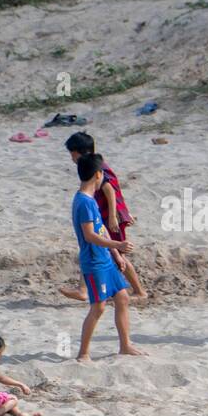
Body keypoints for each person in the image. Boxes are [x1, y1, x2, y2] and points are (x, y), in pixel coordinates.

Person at [73, 153, 145, 362]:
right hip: (93, 262)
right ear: (97, 175)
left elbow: (101, 227)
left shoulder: (91, 199)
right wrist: (118, 245)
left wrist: (115, 254)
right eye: (103, 174)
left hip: (105, 258)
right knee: (99, 307)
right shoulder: (83, 202)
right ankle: (83, 353)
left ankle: (125, 345)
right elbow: (89, 235)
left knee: (122, 298)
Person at [58, 132, 147, 301]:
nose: (71, 158)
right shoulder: (92, 167)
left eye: (72, 154)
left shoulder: (96, 168)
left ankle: (139, 291)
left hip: (108, 218)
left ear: (81, 152)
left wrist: (114, 216)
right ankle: (83, 290)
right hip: (101, 215)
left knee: (118, 254)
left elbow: (110, 190)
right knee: (92, 251)